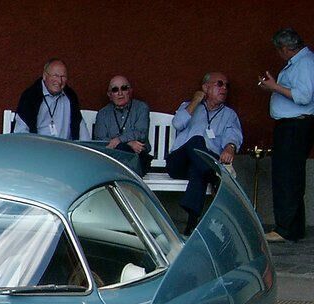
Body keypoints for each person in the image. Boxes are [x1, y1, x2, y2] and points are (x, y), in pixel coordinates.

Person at [167, 72, 243, 234]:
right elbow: (177, 123)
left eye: (226, 85)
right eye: (219, 84)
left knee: (199, 169)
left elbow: (233, 135)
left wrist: (230, 147)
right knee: (196, 140)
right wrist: (195, 100)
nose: (224, 88)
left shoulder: (229, 115)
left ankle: (191, 225)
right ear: (205, 88)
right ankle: (215, 176)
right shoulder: (188, 106)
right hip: (180, 161)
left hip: (203, 161)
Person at [259, 28, 314, 242]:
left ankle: (285, 228)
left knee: (287, 177)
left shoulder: (305, 63)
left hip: (295, 126)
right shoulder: (300, 62)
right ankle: (293, 227)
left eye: (278, 51)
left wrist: (274, 87)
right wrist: (275, 86)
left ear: (284, 48)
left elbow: (303, 96)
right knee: (291, 176)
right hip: (292, 126)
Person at [13, 59, 87, 140]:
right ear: (45, 76)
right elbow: (21, 133)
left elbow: (82, 132)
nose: (59, 81)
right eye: (55, 75)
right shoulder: (30, 96)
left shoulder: (70, 96)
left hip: (65, 149)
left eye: (63, 76)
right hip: (38, 149)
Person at [93, 75, 153, 175]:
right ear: (109, 94)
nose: (120, 93)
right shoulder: (103, 113)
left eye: (124, 88)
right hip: (112, 158)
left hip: (137, 156)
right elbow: (100, 140)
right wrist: (127, 143)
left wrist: (118, 140)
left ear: (130, 91)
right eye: (115, 90)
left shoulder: (141, 108)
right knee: (120, 151)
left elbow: (141, 133)